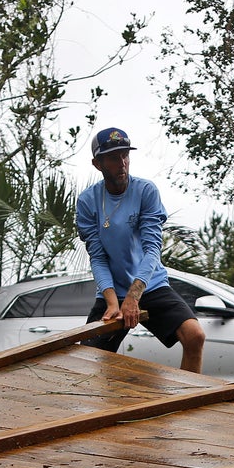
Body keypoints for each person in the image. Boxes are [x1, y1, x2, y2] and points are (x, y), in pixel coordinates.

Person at [75, 127, 206, 372]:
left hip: (150, 284)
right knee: (89, 361)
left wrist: (134, 295)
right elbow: (98, 257)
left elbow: (152, 249)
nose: (122, 163)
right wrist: (113, 303)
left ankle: (189, 403)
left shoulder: (145, 191)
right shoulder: (87, 201)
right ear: (97, 164)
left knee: (194, 336)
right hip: (112, 291)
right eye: (114, 158)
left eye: (125, 155)